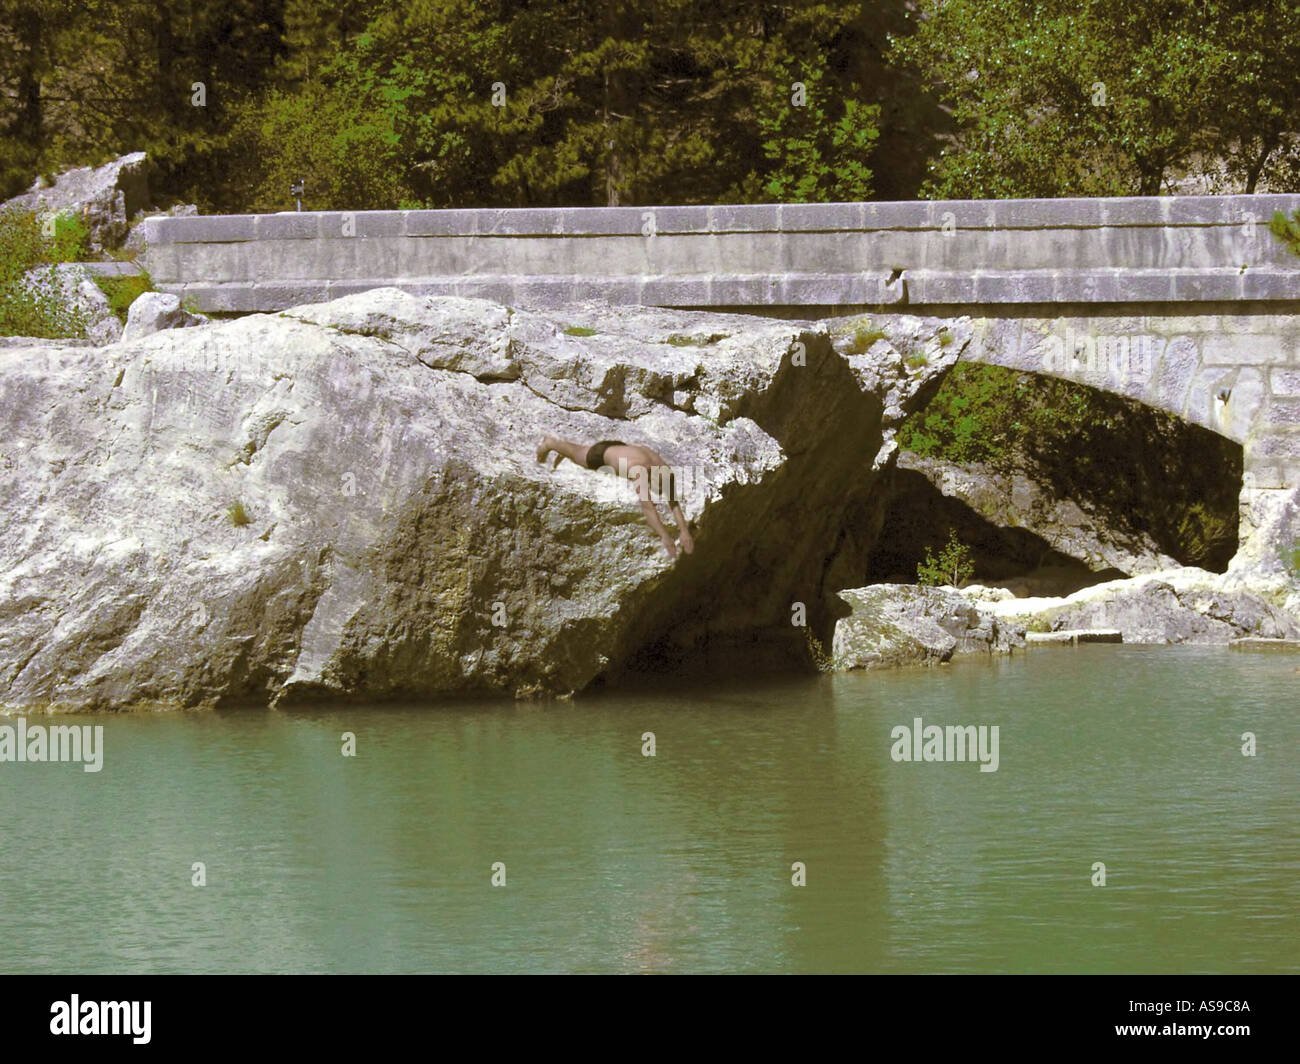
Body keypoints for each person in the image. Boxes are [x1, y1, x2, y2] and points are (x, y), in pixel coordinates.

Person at [536, 434, 695, 559]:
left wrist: (684, 531)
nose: (658, 492)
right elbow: (648, 509)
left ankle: (567, 449)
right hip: (601, 453)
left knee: (581, 451)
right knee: (579, 457)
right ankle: (551, 443)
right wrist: (665, 537)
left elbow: (674, 503)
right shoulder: (638, 471)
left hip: (621, 449)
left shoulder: (665, 471)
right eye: (656, 489)